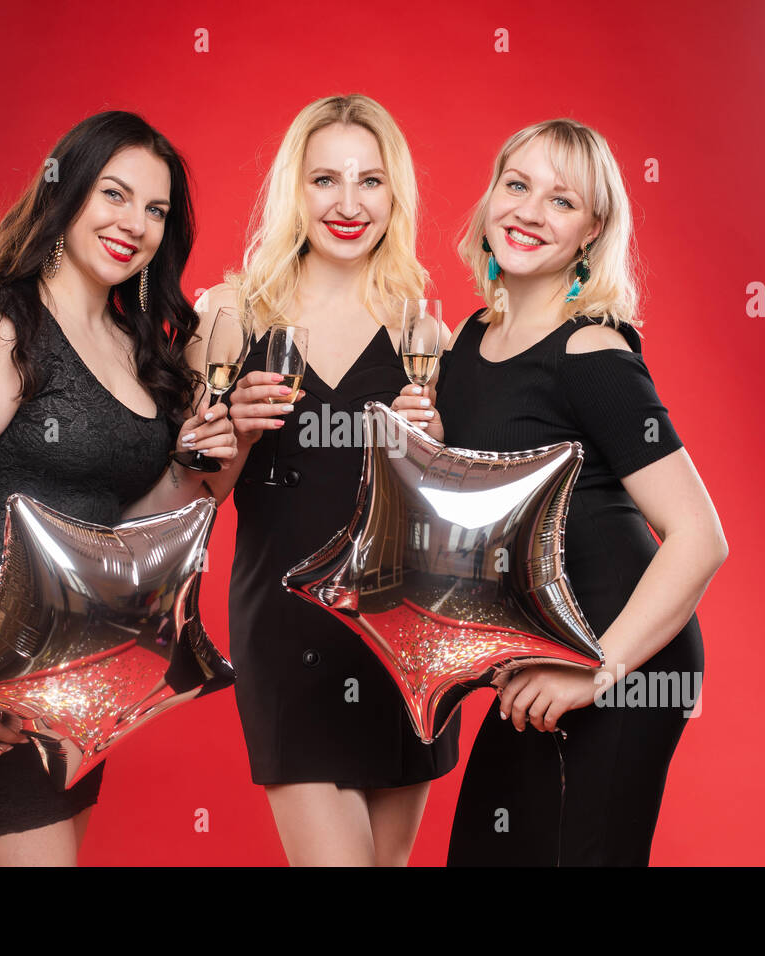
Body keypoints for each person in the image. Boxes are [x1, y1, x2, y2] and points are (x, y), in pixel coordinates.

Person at [0, 111, 236, 866]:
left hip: (74, 676)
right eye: (114, 194)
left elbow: (126, 527)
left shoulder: (136, 349)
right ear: (68, 192)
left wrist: (193, 464)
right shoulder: (12, 330)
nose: (134, 224)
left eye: (155, 209)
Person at [393, 118, 727, 865]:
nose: (529, 211)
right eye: (517, 185)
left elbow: (701, 537)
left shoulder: (592, 352)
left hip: (624, 660)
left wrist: (595, 670)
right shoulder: (468, 341)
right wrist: (430, 443)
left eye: (562, 200)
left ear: (590, 232)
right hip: (540, 661)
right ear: (489, 199)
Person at [196, 94, 460, 866]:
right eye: (324, 180)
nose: (348, 204)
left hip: (407, 633)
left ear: (394, 195)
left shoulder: (425, 331)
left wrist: (439, 451)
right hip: (289, 632)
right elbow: (198, 495)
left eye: (370, 181)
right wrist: (236, 430)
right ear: (293, 191)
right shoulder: (233, 315)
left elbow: (455, 511)